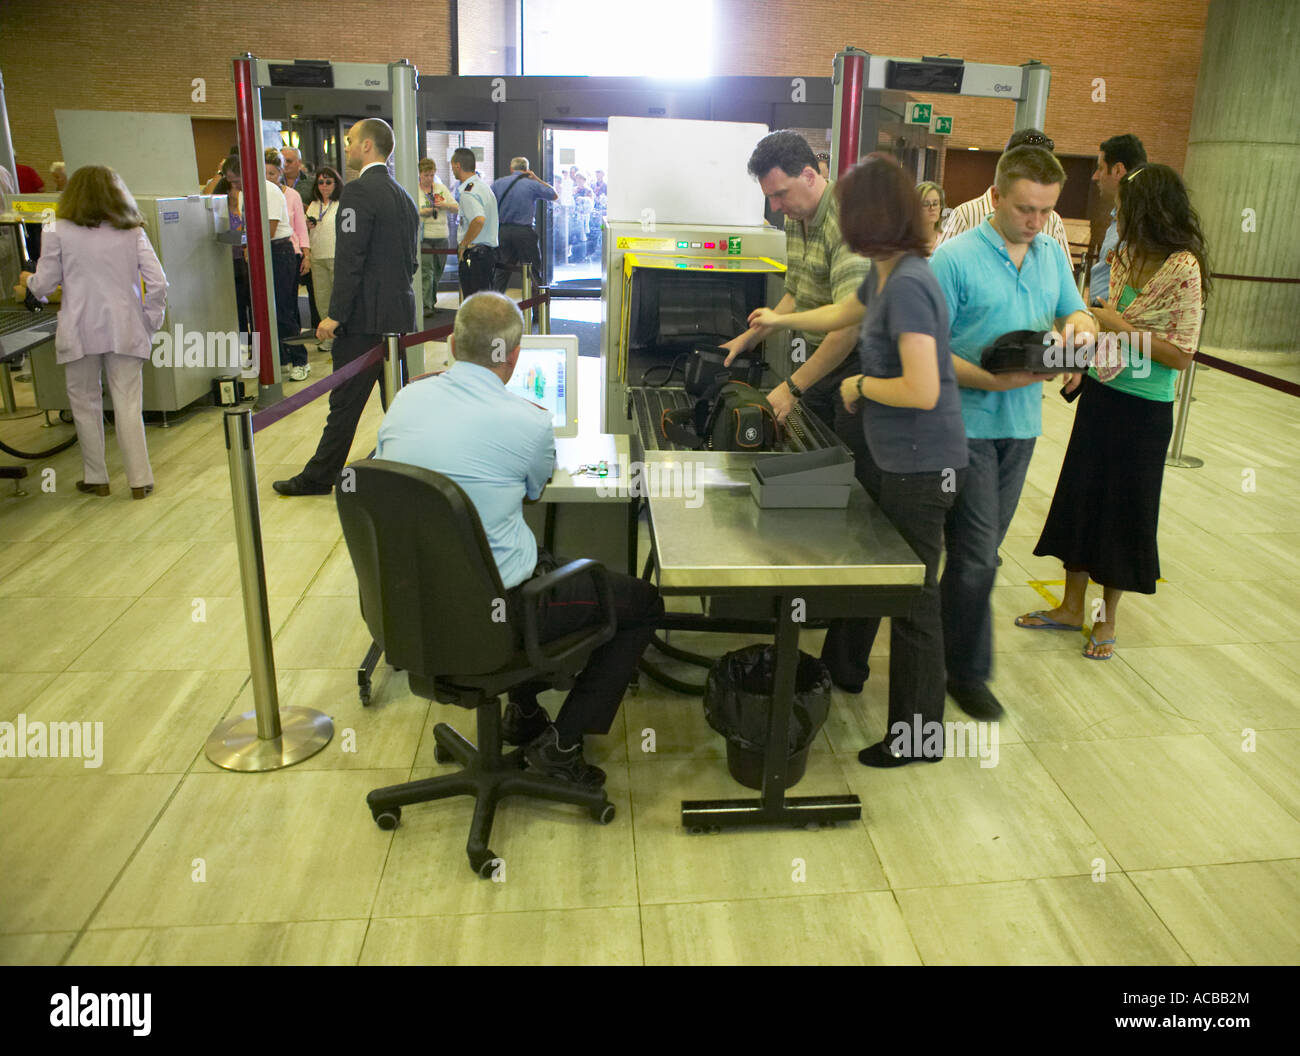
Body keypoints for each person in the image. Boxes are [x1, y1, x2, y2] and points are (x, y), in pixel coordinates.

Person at [375, 292, 664, 787]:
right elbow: (535, 488)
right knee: (639, 602)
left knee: (530, 561)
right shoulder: (528, 421)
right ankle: (562, 746)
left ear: (450, 342)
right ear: (511, 358)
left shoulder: (404, 401)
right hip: (496, 618)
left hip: (408, 609)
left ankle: (524, 713)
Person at [748, 157, 968, 765]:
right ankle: (844, 665)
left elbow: (922, 389)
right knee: (867, 555)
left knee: (915, 597)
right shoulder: (887, 272)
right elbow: (840, 313)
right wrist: (781, 317)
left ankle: (919, 738)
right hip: (888, 447)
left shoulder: (913, 284)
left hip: (922, 459)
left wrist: (862, 387)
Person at [929, 146, 1098, 720]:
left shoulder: (1050, 253)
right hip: (964, 426)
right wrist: (992, 383)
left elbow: (1076, 310)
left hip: (1021, 428)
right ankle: (965, 672)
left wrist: (1078, 328)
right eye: (1025, 208)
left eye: (1046, 211)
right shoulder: (951, 261)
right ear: (996, 198)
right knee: (978, 557)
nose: (1035, 221)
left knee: (980, 553)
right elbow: (923, 351)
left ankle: (942, 641)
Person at [1017, 164, 1208, 660]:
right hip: (1103, 393)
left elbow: (1180, 354)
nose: (1117, 213)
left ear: (1150, 210)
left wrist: (1117, 324)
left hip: (1144, 412)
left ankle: (1107, 618)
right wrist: (1080, 354)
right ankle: (1070, 606)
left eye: (1125, 206)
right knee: (1081, 499)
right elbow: (1095, 317)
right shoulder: (1123, 254)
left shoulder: (1183, 268)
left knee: (1124, 512)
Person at [273, 118, 419, 497]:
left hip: (363, 320)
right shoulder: (403, 195)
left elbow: (350, 258)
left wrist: (335, 314)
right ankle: (417, 466)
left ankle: (320, 476)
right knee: (396, 400)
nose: (347, 145)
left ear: (368, 146)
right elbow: (410, 260)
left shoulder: (357, 193)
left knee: (346, 402)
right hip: (396, 314)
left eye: (352, 140)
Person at [14, 166, 166, 499]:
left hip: (79, 327)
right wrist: (149, 321)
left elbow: (45, 282)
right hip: (125, 327)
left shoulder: (56, 227)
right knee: (128, 404)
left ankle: (96, 477)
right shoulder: (132, 230)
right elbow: (159, 283)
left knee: (84, 403)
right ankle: (139, 480)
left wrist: (28, 283)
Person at [721, 130, 870, 432]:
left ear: (809, 176)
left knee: (850, 467)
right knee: (817, 454)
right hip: (822, 358)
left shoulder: (848, 222)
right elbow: (796, 293)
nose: (775, 207)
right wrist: (747, 340)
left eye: (780, 194)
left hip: (862, 363)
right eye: (770, 197)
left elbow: (848, 327)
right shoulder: (796, 216)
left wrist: (792, 388)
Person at [936, 129, 1074, 264]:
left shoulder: (1053, 222)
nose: (1035, 223)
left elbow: (1063, 279)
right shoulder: (965, 215)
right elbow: (939, 273)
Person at [264, 148, 309, 379]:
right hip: (269, 253)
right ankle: (280, 357)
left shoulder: (291, 195)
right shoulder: (257, 193)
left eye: (272, 173)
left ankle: (299, 359)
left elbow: (300, 227)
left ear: (280, 172)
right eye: (265, 173)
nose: (268, 177)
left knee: (286, 310)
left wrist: (305, 254)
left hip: (288, 253)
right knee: (270, 311)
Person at [1089, 133, 1147, 305]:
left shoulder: (1141, 224)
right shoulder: (1117, 217)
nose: (1095, 177)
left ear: (1117, 170)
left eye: (1100, 168)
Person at [490, 156, 557, 293]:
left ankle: (494, 308)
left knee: (501, 273)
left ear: (511, 168)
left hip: (503, 231)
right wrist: (536, 178)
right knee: (533, 273)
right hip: (524, 233)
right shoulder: (531, 184)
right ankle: (538, 313)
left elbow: (489, 204)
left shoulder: (498, 184)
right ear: (527, 170)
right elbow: (553, 194)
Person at [449, 147, 498, 299]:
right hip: (486, 254)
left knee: (475, 305)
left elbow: (478, 220)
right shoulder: (483, 187)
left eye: (452, 167)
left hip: (476, 255)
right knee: (484, 302)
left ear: (457, 166)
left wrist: (464, 244)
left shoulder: (468, 192)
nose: (452, 170)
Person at [304, 164, 344, 354]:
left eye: (328, 182)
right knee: (322, 300)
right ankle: (328, 339)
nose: (324, 186)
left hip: (336, 256)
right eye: (321, 182)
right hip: (317, 257)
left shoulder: (342, 203)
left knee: (338, 299)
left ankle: (342, 336)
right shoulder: (313, 205)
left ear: (336, 183)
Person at [417, 158, 456, 314]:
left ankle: (431, 302)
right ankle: (426, 305)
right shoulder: (415, 190)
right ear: (420, 174)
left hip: (442, 236)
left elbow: (455, 207)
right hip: (425, 236)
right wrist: (423, 212)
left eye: (432, 175)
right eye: (426, 175)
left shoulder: (440, 188)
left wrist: (444, 205)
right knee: (427, 271)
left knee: (438, 272)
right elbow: (411, 211)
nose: (429, 179)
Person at [916, 180, 945, 253]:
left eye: (935, 203)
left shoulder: (946, 240)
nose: (932, 208)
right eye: (925, 204)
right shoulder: (905, 242)